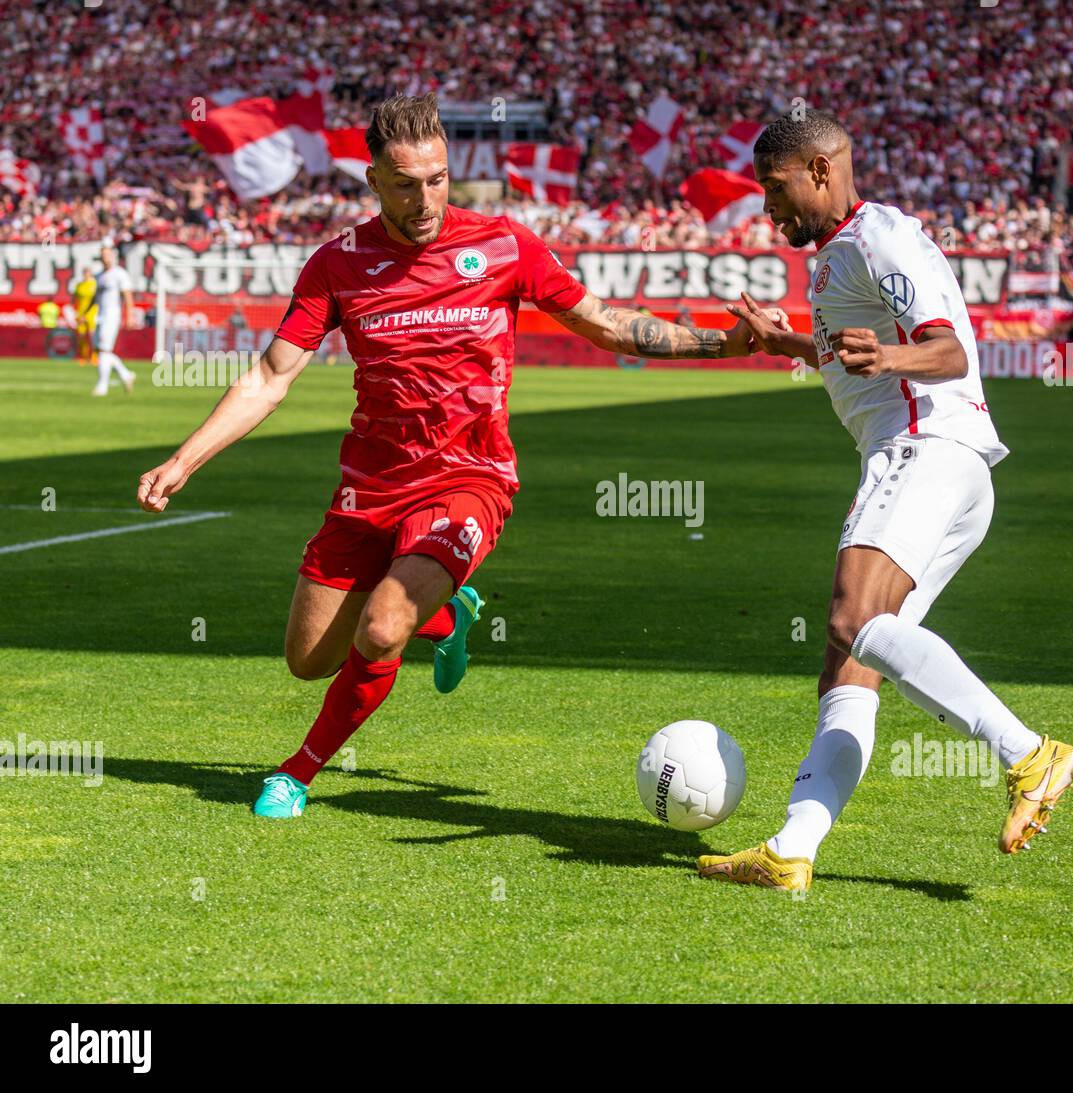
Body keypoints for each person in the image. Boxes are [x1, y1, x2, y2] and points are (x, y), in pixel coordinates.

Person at [135, 93, 782, 820]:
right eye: (406, 183)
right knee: (308, 659)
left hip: (470, 480)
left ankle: (297, 771)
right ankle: (447, 614)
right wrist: (183, 460)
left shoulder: (505, 246)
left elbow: (604, 323)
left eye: (438, 179)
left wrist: (723, 343)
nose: (425, 199)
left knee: (381, 627)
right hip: (370, 486)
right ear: (374, 179)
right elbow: (268, 376)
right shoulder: (336, 266)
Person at [702, 109, 1073, 892]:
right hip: (943, 465)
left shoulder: (879, 237)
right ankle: (791, 850)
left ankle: (1028, 753)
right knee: (848, 663)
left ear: (820, 169)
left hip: (925, 450)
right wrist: (788, 343)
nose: (768, 210)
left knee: (853, 620)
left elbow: (950, 350)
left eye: (775, 190)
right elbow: (854, 356)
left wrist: (891, 354)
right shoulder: (846, 248)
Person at [91, 247, 136, 396]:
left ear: (113, 256)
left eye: (108, 255)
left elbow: (127, 296)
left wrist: (130, 316)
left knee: (104, 350)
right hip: (100, 315)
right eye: (103, 255)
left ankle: (102, 386)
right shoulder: (98, 276)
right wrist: (86, 312)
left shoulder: (119, 274)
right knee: (101, 350)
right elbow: (96, 298)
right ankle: (126, 374)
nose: (106, 258)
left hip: (112, 315)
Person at [72, 268, 98, 366]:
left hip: (93, 313)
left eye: (88, 273)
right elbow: (74, 298)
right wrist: (74, 311)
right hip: (80, 313)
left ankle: (95, 357)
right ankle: (84, 357)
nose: (86, 275)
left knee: (93, 336)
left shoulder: (95, 285)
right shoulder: (79, 285)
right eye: (84, 273)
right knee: (81, 337)